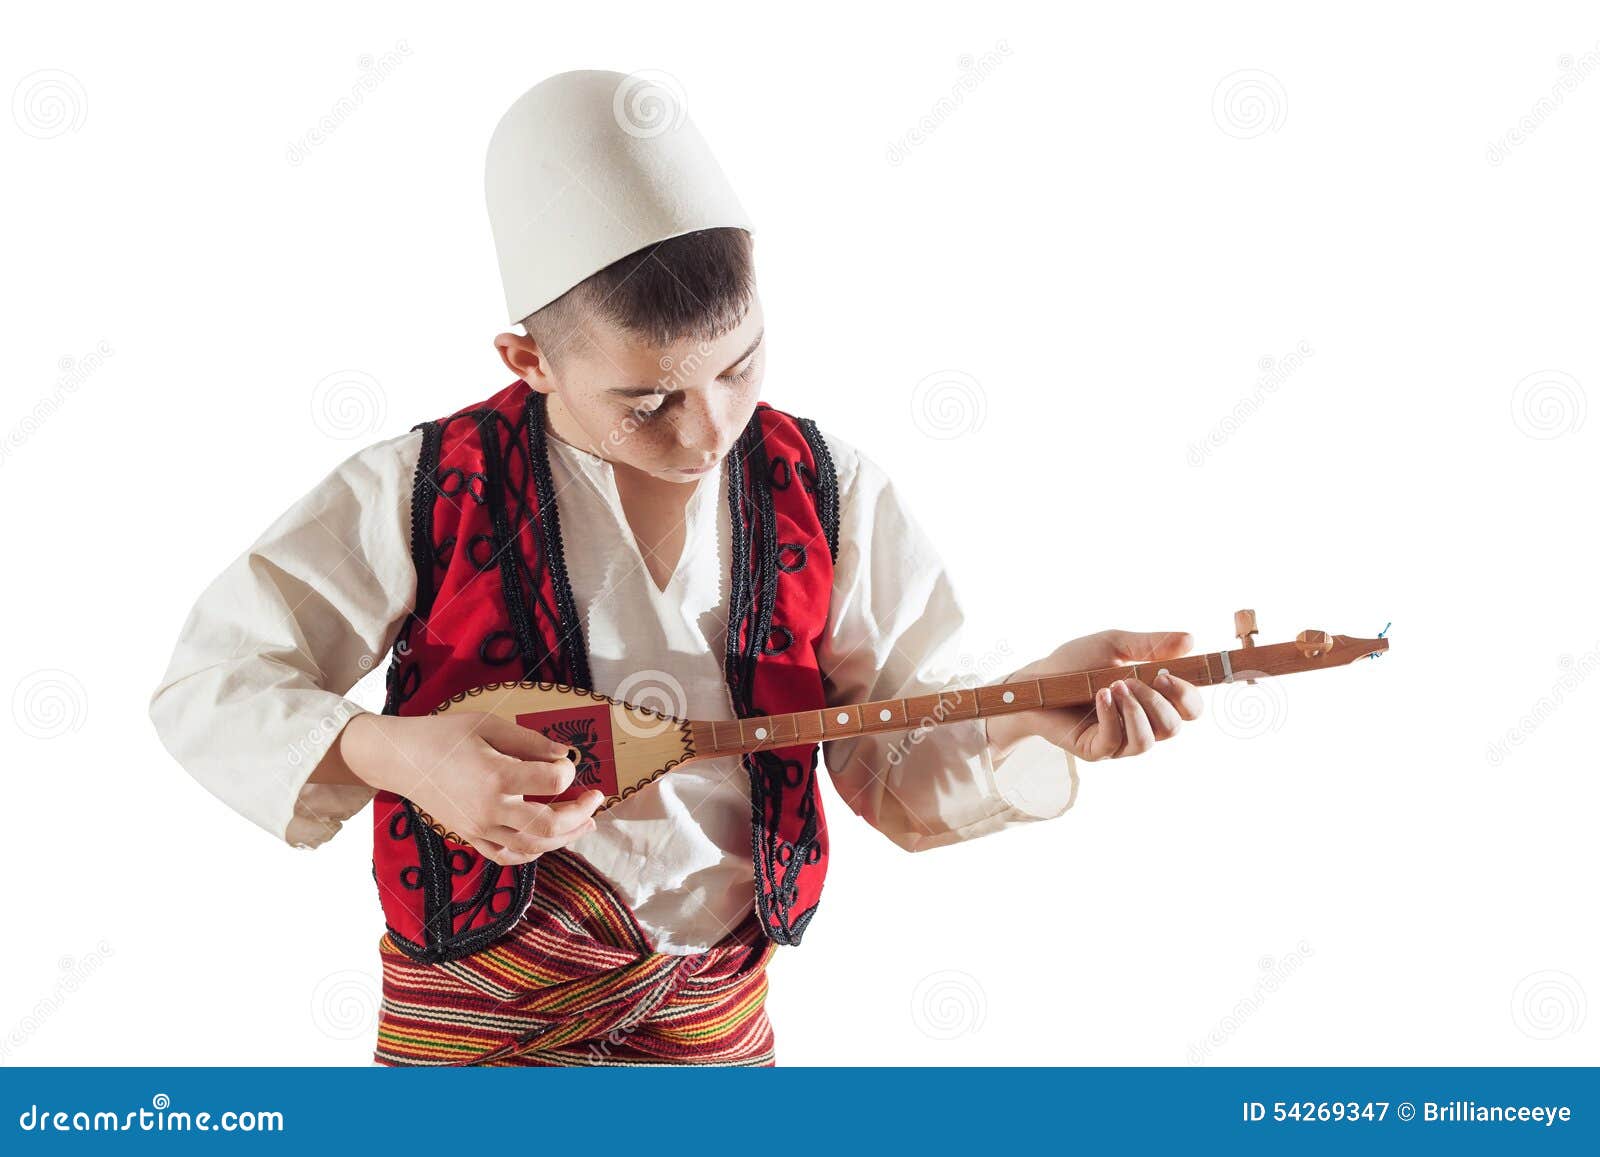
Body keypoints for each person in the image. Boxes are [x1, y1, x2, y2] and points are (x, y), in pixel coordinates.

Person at [148, 69, 1203, 1067]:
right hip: (478, 1020)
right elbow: (210, 685)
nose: (708, 430)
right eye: (647, 402)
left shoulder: (832, 488)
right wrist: (400, 753)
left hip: (715, 1025)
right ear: (529, 360)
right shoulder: (420, 485)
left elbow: (894, 770)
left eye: (741, 365)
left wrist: (1024, 714)